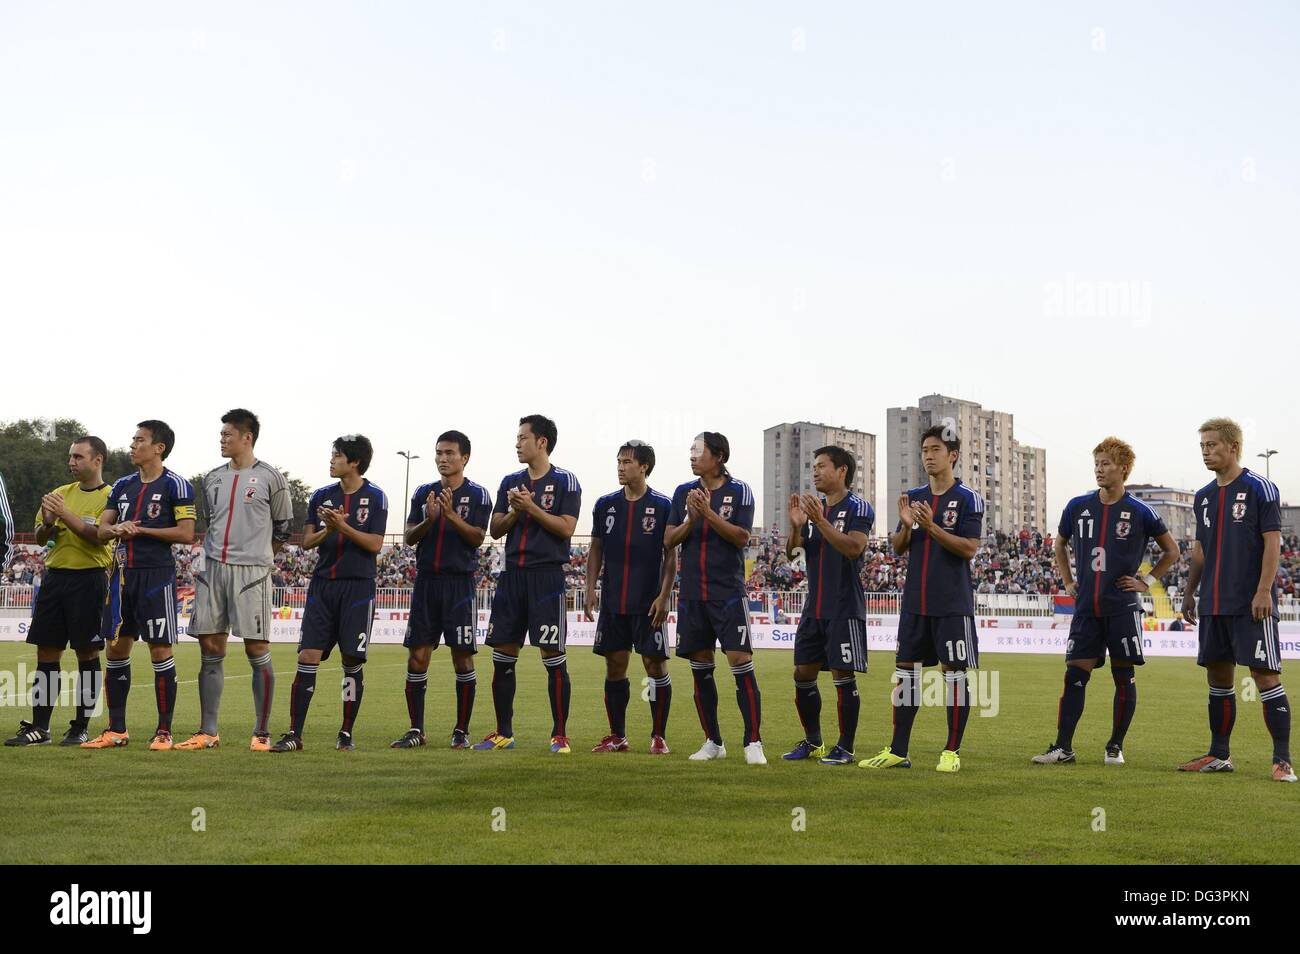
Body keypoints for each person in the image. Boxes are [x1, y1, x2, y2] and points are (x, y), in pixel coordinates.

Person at [1032, 437, 1178, 766]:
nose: (1099, 469)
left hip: (1122, 607)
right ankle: (1063, 748)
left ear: (1123, 469)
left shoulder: (1141, 511)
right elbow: (1060, 544)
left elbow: (1172, 551)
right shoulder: (1077, 506)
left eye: (1106, 464)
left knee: (1123, 676)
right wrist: (1068, 581)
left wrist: (1146, 581)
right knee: (1074, 675)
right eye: (1097, 463)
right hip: (1087, 608)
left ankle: (1115, 746)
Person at [861, 424, 983, 774]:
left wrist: (931, 528)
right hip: (915, 601)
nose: (928, 456)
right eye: (925, 450)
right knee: (906, 675)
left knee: (954, 674)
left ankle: (951, 751)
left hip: (952, 603)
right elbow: (899, 548)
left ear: (953, 456)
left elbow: (970, 549)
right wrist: (906, 526)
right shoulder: (915, 496)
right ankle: (899, 750)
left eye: (935, 450)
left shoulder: (968, 499)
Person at [1179, 418, 1292, 782]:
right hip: (1213, 602)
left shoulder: (1261, 488)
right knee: (1218, 678)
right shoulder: (1204, 497)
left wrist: (1263, 590)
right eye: (1202, 447)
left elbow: (1272, 542)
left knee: (1265, 677)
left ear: (1233, 447)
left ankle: (1282, 761)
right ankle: (1219, 754)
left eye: (1212, 445)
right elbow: (1199, 550)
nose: (1206, 452)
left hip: (1250, 604)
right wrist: (1190, 590)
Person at [176, 409, 292, 751]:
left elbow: (283, 528)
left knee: (256, 649)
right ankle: (208, 731)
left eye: (228, 434)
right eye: (221, 434)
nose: (222, 439)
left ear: (247, 437)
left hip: (251, 573)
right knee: (210, 648)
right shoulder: (212, 478)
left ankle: (262, 732)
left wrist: (258, 556)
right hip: (212, 570)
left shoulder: (272, 478)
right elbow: (212, 521)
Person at [83, 421, 196, 750]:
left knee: (160, 649)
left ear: (158, 447)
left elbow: (186, 533)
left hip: (155, 576)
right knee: (116, 650)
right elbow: (102, 529)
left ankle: (164, 732)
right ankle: (116, 730)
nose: (132, 445)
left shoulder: (177, 485)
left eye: (139, 440)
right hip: (120, 576)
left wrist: (142, 531)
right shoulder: (121, 486)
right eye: (133, 440)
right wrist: (115, 530)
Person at [272, 435, 387, 752]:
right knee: (307, 656)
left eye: (337, 455)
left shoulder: (376, 497)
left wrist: (344, 528)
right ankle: (295, 733)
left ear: (354, 462)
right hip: (323, 586)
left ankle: (346, 732)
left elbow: (375, 545)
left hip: (358, 588)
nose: (331, 460)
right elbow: (308, 542)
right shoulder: (322, 496)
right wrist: (330, 529)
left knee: (351, 661)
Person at [476, 415, 582, 753]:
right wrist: (516, 512)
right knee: (502, 655)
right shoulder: (510, 481)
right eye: (517, 438)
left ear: (542, 443)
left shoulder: (567, 481)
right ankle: (503, 732)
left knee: (553, 655)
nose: (517, 443)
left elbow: (566, 528)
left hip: (547, 577)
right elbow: (495, 529)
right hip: (512, 577)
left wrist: (530, 507)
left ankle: (560, 734)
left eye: (523, 437)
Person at [5, 437, 113, 747]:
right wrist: (49, 522)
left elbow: (97, 538)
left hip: (89, 579)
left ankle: (80, 726)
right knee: (47, 652)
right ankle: (39, 727)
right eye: (70, 457)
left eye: (79, 456)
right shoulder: (59, 494)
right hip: (55, 579)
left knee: (87, 653)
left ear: (98, 460)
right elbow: (41, 538)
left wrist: (64, 514)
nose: (71, 462)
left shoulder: (111, 497)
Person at [665, 432, 764, 765]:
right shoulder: (682, 493)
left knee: (739, 660)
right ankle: (713, 741)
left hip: (727, 593)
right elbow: (668, 539)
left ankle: (753, 741)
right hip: (693, 593)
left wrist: (707, 514)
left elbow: (741, 536)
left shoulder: (739, 491)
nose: (692, 456)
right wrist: (691, 519)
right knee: (700, 668)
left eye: (698, 451)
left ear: (718, 456)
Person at [391, 430, 492, 749]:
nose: (442, 459)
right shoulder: (424, 492)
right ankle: (415, 729)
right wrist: (431, 520)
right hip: (426, 582)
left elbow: (477, 537)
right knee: (417, 658)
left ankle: (461, 730)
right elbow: (409, 536)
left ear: (465, 457)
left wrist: (449, 515)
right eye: (438, 453)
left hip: (459, 584)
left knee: (462, 658)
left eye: (449, 453)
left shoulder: (478, 495)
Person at [782, 446, 874, 766]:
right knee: (802, 673)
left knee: (842, 675)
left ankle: (845, 748)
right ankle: (814, 741)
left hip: (844, 607)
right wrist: (796, 526)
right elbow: (793, 556)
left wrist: (820, 522)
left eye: (821, 466)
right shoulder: (814, 510)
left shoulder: (859, 507)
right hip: (814, 608)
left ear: (842, 471)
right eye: (813, 466)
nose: (815, 471)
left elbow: (853, 548)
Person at [584, 441, 675, 754]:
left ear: (643, 467)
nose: (620, 467)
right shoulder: (605, 504)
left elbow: (671, 555)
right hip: (613, 601)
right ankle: (617, 736)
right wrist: (590, 587)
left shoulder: (663, 505)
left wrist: (664, 596)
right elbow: (596, 549)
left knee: (655, 666)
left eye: (627, 462)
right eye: (619, 461)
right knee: (615, 666)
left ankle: (659, 735)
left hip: (648, 602)